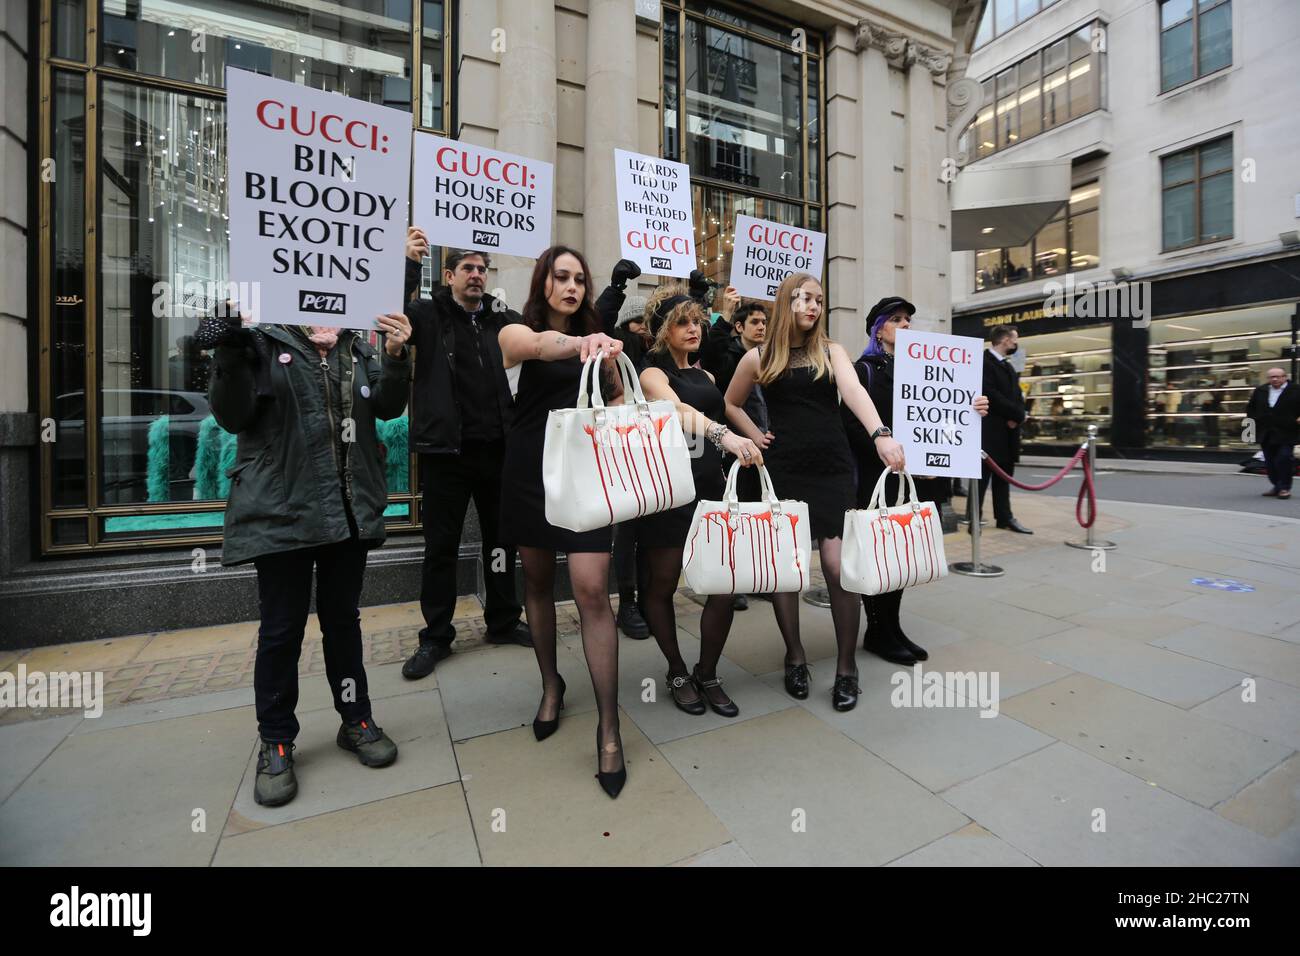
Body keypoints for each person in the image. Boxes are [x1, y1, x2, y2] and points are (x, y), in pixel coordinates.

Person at [201, 302, 412, 808]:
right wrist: (229, 352)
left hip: (348, 509)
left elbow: (386, 407)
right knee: (281, 630)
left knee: (343, 621)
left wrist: (398, 356)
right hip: (281, 512)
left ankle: (355, 719)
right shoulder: (260, 340)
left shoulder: (356, 345)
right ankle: (276, 740)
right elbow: (232, 416)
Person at [724, 272, 904, 712]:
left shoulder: (831, 350)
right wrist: (754, 434)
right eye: (804, 299)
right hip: (783, 467)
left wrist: (881, 433)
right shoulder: (759, 356)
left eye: (819, 300)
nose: (812, 306)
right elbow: (728, 402)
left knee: (837, 564)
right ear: (787, 302)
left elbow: (853, 389)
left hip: (832, 467)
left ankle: (846, 668)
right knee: (786, 568)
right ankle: (796, 656)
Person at [497, 245, 630, 798]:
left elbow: (622, 400)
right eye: (562, 277)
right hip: (530, 473)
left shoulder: (602, 343)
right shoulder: (514, 329)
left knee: (592, 589)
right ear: (544, 283)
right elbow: (534, 346)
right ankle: (551, 683)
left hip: (587, 476)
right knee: (535, 582)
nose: (573, 287)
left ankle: (609, 725)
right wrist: (582, 344)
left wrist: (627, 409)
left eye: (580, 278)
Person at [399, 229, 532, 683]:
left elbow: (540, 334)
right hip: (446, 455)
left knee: (501, 541)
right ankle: (436, 636)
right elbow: (395, 315)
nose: (476, 276)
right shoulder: (429, 313)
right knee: (441, 548)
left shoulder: (500, 318)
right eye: (468, 269)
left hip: (497, 451)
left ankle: (503, 619)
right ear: (450, 275)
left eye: (482, 269)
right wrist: (410, 263)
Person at [635, 293, 764, 716]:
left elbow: (727, 406)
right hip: (670, 494)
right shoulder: (652, 373)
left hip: (711, 489)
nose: (694, 329)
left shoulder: (707, 375)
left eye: (697, 321)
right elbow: (676, 409)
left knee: (724, 587)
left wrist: (752, 438)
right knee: (662, 586)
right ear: (663, 329)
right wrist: (722, 434)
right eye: (682, 322)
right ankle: (675, 670)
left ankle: (706, 672)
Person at [844, 297, 988, 665]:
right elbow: (852, 426)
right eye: (896, 319)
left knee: (902, 553)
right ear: (879, 328)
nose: (906, 324)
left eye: (908, 318)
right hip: (880, 478)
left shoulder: (927, 368)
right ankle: (877, 630)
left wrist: (972, 407)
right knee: (882, 553)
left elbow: (941, 415)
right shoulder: (864, 371)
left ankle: (891, 626)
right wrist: (887, 448)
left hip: (916, 477)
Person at [979, 325, 1032, 534]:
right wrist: (1016, 415)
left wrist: (1019, 416)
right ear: (1004, 341)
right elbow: (990, 394)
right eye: (1014, 340)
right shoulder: (984, 363)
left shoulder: (1009, 367)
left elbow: (1017, 395)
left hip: (1008, 432)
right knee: (981, 479)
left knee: (1004, 477)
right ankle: (974, 517)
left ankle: (1004, 517)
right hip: (990, 432)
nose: (1016, 344)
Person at [1245, 367, 1300, 499]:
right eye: (1271, 377)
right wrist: (1250, 431)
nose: (1274, 379)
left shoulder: (1296, 390)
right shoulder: (1261, 390)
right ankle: (1277, 486)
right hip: (1266, 432)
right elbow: (1251, 409)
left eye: (1278, 376)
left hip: (1287, 431)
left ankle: (1284, 488)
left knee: (1284, 458)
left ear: (1285, 377)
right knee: (1270, 462)